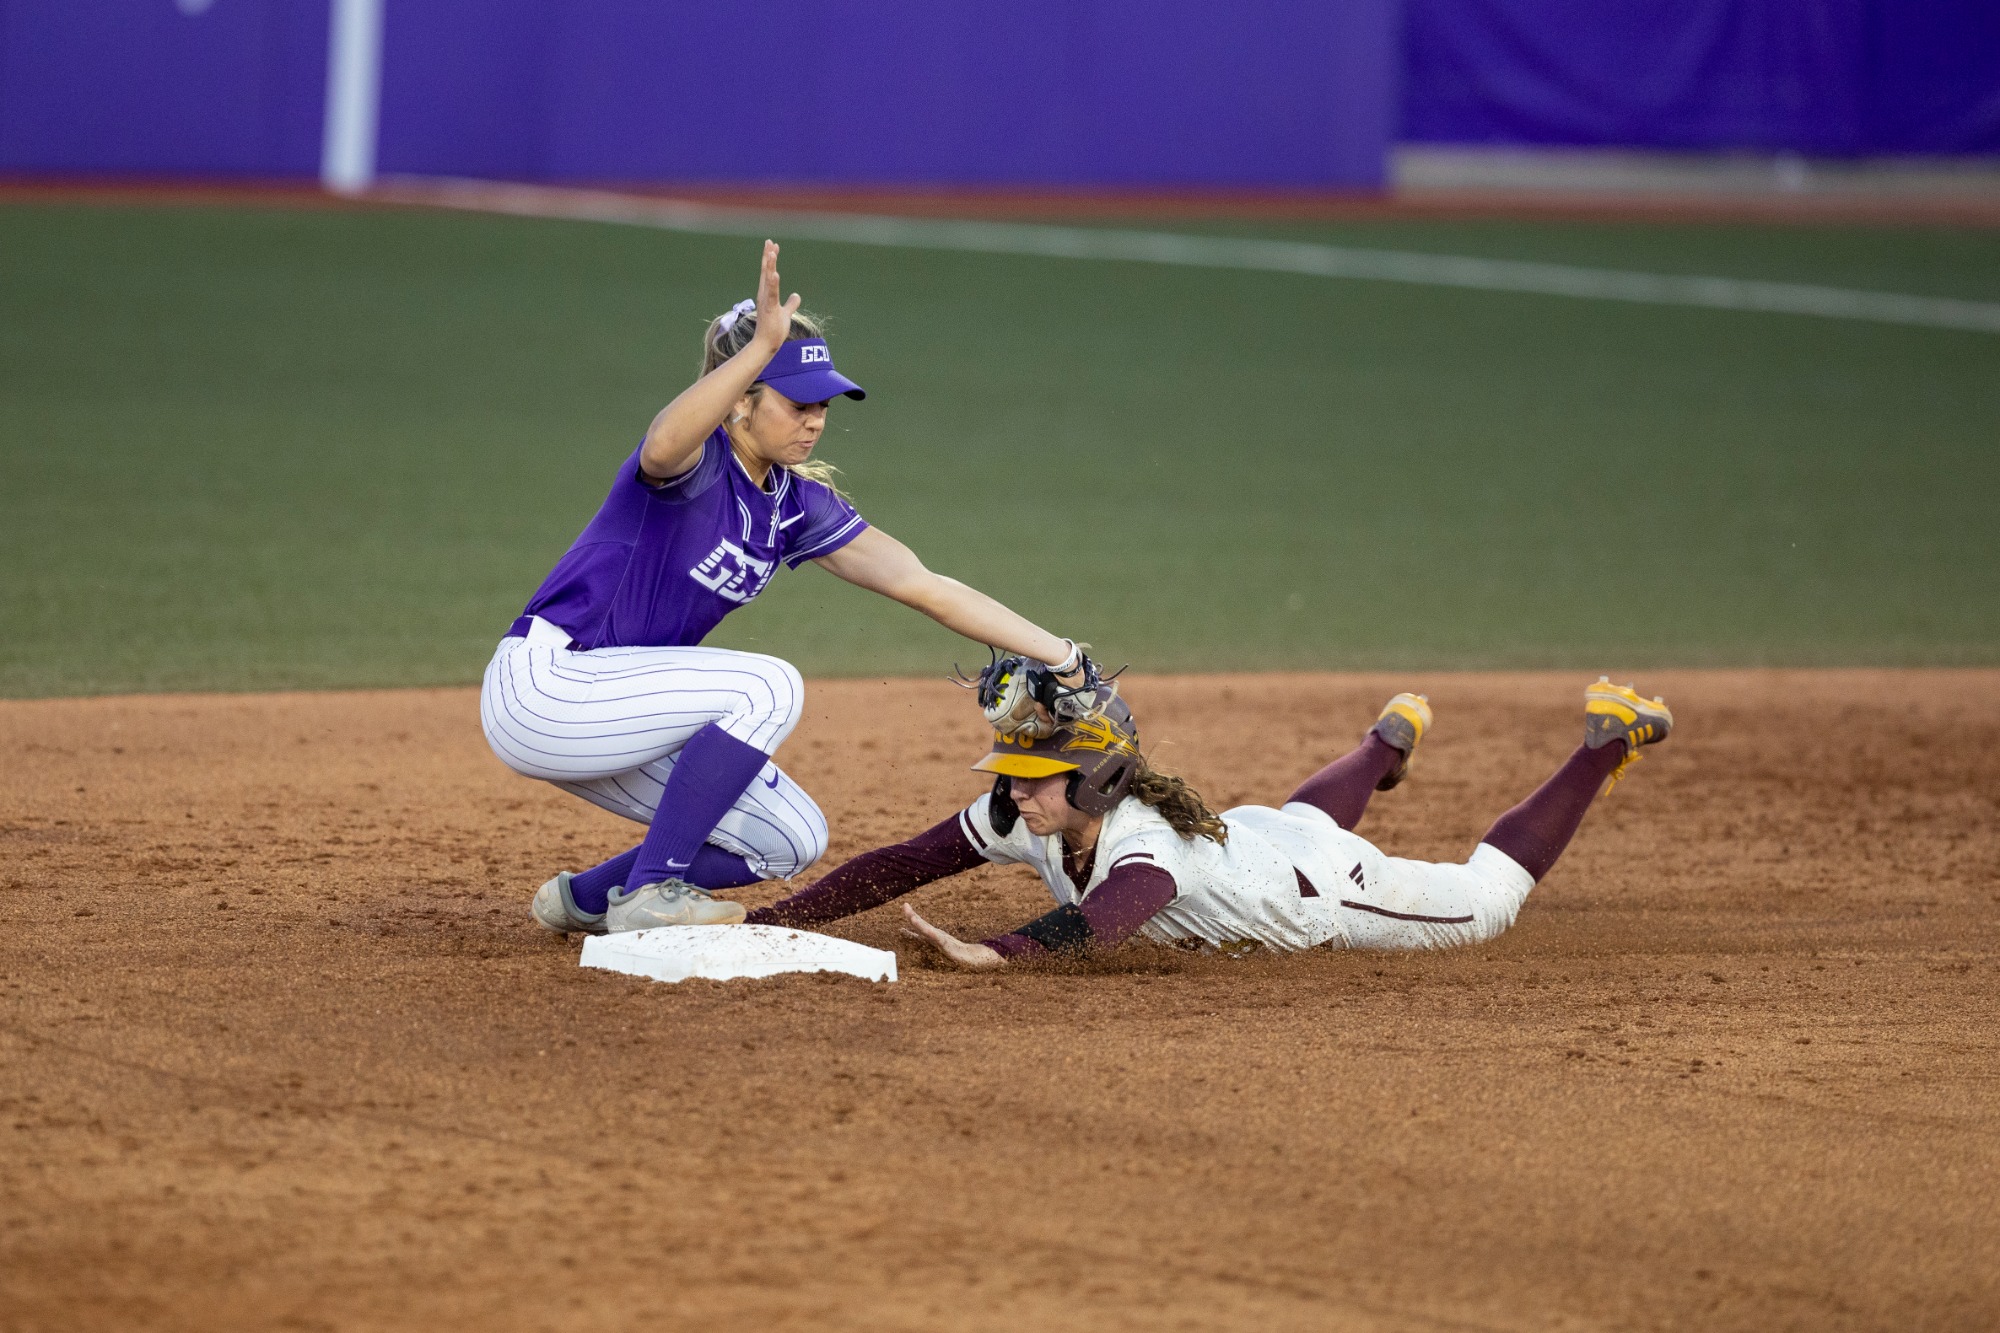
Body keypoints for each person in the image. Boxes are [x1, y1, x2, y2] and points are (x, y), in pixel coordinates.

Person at [481, 241, 1097, 936]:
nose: (816, 418)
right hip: (548, 684)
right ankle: (650, 891)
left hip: (620, 713)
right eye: (798, 401)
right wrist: (755, 352)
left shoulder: (793, 505)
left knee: (791, 837)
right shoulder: (696, 461)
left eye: (825, 403)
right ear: (741, 401)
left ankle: (586, 899)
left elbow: (924, 584)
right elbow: (658, 445)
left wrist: (1063, 656)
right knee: (768, 686)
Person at [746, 673, 1673, 967]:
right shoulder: (1028, 812)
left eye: (1037, 776)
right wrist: (769, 922)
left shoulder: (1147, 844)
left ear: (1101, 780)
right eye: (1015, 774)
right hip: (1257, 841)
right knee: (1302, 815)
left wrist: (1000, 952)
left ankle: (1606, 737)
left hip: (1329, 894)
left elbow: (1109, 915)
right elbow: (904, 863)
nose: (1017, 792)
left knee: (1487, 900)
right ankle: (1383, 745)